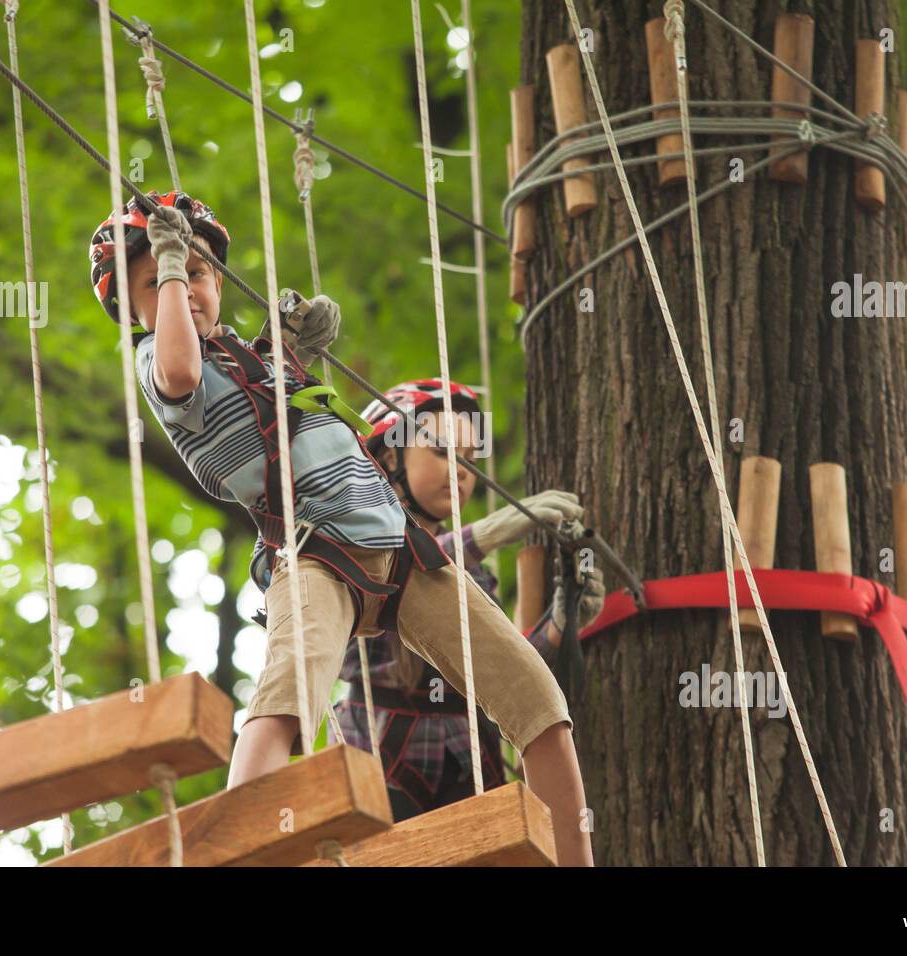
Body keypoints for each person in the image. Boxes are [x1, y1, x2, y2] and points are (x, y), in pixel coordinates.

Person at [89, 189, 595, 865]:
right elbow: (180, 365)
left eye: (201, 271)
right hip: (316, 554)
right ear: (134, 307)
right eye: (156, 281)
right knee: (286, 702)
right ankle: (246, 851)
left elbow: (299, 422)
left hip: (402, 549)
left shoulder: (243, 357)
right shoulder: (159, 362)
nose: (188, 284)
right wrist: (174, 266)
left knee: (539, 699)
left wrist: (289, 347)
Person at [334, 379, 606, 823]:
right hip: (380, 750)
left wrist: (562, 619)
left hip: (470, 758)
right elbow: (404, 563)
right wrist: (492, 529)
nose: (462, 471)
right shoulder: (358, 540)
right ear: (388, 456)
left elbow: (505, 678)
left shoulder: (474, 574)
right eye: (442, 452)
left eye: (470, 461)